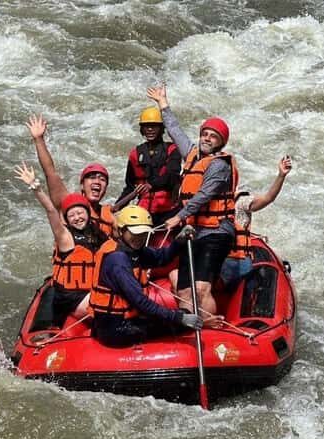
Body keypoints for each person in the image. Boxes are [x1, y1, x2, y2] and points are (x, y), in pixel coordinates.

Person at [146, 85, 238, 321]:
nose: (207, 138)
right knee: (184, 289)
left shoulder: (220, 165)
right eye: (205, 133)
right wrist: (163, 104)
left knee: (200, 288)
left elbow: (203, 195)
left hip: (216, 232)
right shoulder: (192, 154)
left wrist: (178, 216)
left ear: (220, 143)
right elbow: (175, 131)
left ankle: (209, 326)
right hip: (194, 231)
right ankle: (189, 326)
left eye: (213, 136)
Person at [89, 205, 203, 347]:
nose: (140, 238)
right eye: (135, 233)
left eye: (143, 234)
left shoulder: (133, 249)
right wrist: (178, 317)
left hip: (126, 320)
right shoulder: (117, 260)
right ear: (121, 230)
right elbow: (141, 302)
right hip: (115, 329)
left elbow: (162, 258)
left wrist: (179, 241)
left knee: (182, 313)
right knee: (177, 323)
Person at [15, 162, 106, 326]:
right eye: (71, 215)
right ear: (67, 220)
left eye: (80, 213)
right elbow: (51, 210)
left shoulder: (96, 233)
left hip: (90, 290)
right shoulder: (64, 236)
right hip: (71, 296)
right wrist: (35, 186)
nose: (77, 218)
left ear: (87, 213)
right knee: (111, 310)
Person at [26, 114, 114, 236]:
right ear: (82, 185)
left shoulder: (109, 215)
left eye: (102, 179)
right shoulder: (68, 204)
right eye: (92, 178)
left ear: (105, 189)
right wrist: (39, 140)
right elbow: (50, 172)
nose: (97, 182)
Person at [221, 155, 293, 289]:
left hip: (237, 261)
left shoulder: (240, 201)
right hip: (213, 258)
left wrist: (281, 176)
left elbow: (268, 198)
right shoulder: (204, 199)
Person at [115, 107, 182, 227]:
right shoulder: (135, 154)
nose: (150, 129)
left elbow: (172, 175)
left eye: (154, 126)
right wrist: (118, 205)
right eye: (146, 126)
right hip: (144, 211)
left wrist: (151, 185)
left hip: (169, 210)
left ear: (161, 128)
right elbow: (130, 187)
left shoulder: (172, 149)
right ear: (142, 129)